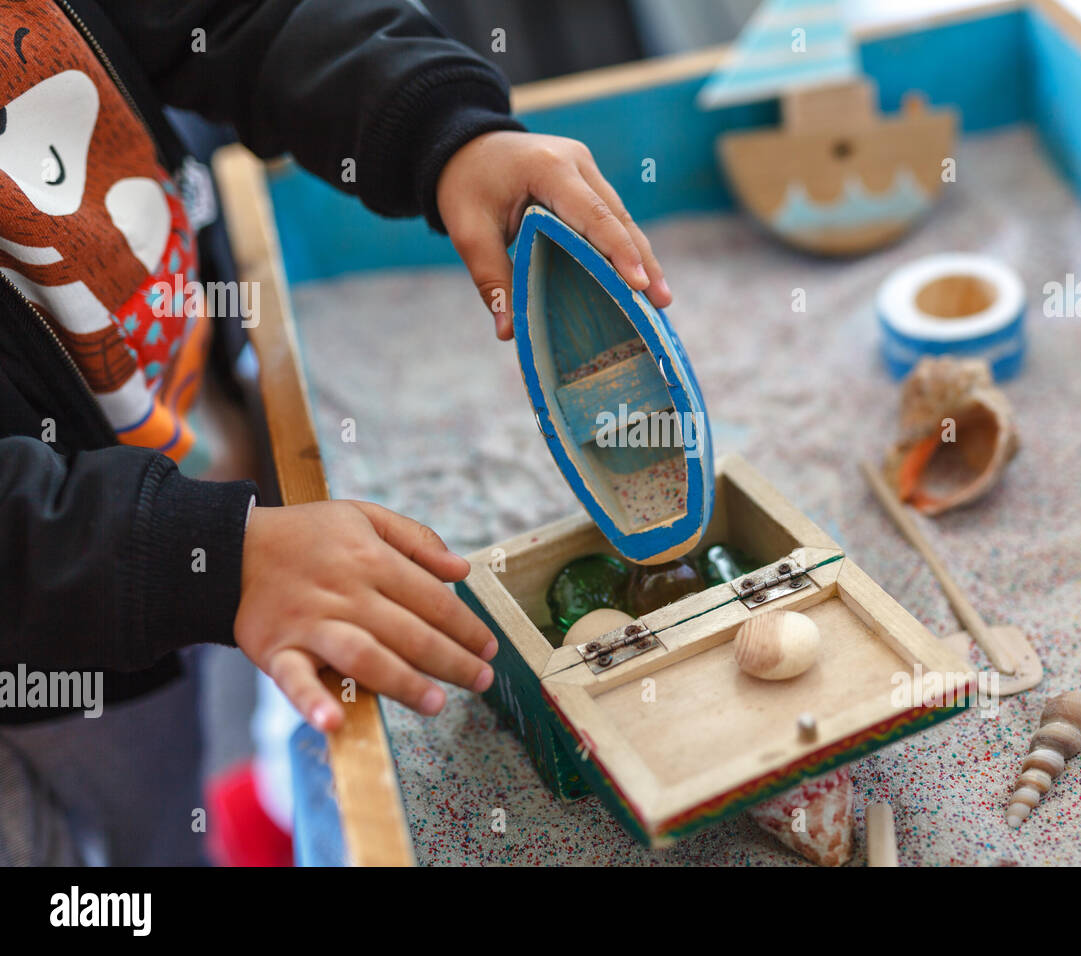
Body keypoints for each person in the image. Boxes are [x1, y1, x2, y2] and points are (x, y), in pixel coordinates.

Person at [0, 0, 670, 865]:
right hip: (53, 640)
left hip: (195, 448)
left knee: (216, 712)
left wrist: (446, 127)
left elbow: (243, 19)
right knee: (121, 830)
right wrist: (202, 558)